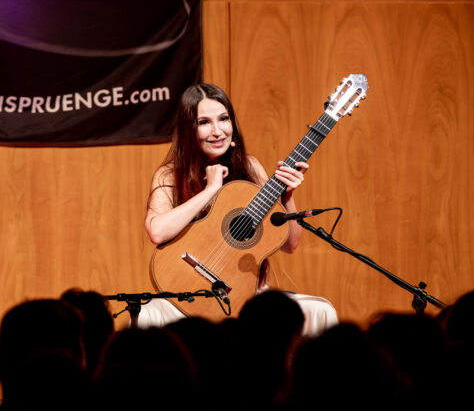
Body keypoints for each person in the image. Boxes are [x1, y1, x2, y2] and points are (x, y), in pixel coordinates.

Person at [139, 83, 337, 334]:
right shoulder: (169, 174)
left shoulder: (250, 167)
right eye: (204, 122)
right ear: (189, 129)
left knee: (323, 310)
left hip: (245, 295)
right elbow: (157, 232)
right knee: (146, 315)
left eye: (224, 119)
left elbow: (290, 244)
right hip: (185, 296)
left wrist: (287, 197)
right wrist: (210, 189)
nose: (217, 131)